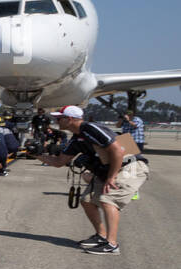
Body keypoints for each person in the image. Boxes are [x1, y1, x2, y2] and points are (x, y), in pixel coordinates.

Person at [38, 105, 148, 255]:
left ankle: (112, 245)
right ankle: (101, 236)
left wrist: (111, 177)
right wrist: (35, 154)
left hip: (131, 165)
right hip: (112, 166)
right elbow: (59, 162)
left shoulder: (90, 128)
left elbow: (118, 150)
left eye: (59, 118)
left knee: (108, 200)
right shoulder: (77, 137)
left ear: (69, 119)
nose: (56, 121)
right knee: (87, 200)